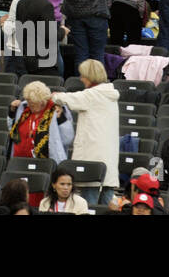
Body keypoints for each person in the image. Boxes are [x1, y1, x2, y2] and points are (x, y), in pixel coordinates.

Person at [50, 60, 119, 205]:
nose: (81, 79)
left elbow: (69, 99)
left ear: (91, 76)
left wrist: (54, 95)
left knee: (89, 205)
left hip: (93, 159)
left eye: (83, 75)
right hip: (108, 159)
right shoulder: (108, 95)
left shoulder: (92, 95)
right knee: (107, 203)